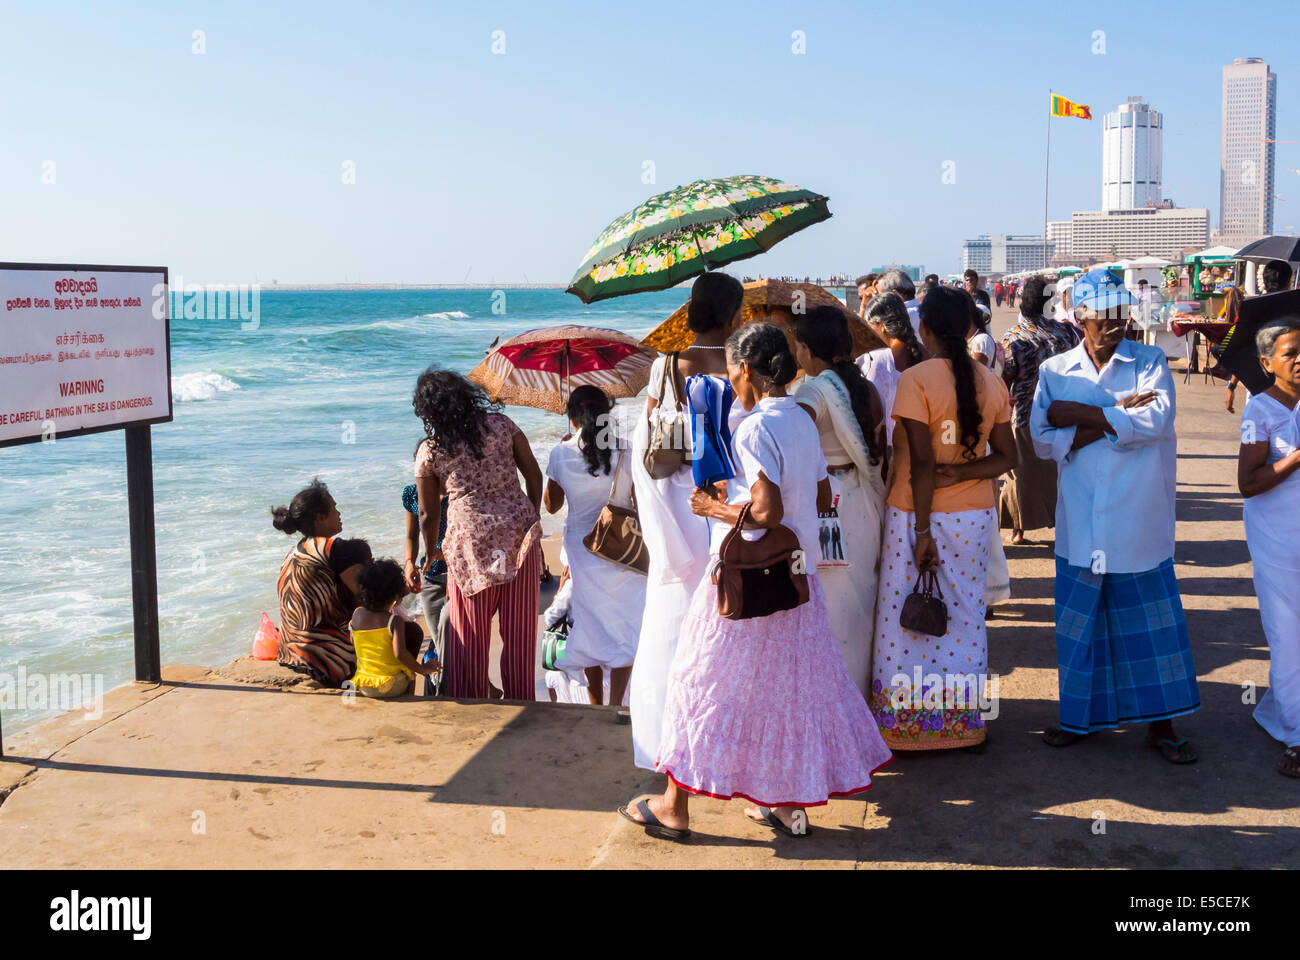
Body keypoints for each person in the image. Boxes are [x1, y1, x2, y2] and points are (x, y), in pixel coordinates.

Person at [620, 323, 893, 841]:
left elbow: (767, 511)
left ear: (745, 370)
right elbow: (815, 498)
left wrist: (715, 506)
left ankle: (675, 806)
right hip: (796, 581)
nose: (728, 378)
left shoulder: (752, 428)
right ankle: (786, 805)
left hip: (746, 581)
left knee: (701, 683)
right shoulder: (801, 421)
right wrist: (745, 491)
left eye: (729, 369)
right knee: (788, 693)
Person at [1030, 270, 1200, 764]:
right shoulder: (1056, 370)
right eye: (1103, 315)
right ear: (1080, 317)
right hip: (1082, 517)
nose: (1116, 323)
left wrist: (1078, 414)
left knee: (1150, 629)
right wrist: (1115, 412)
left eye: (1121, 313)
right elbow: (1041, 438)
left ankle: (1162, 726)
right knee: (1080, 627)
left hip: (1137, 517)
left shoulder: (1149, 361)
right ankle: (1079, 720)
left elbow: (1155, 420)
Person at [870, 287, 1015, 751]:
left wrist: (921, 530)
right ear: (971, 328)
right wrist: (965, 471)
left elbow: (921, 462)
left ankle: (904, 730)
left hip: (916, 514)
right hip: (973, 517)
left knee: (903, 620)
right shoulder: (992, 382)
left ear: (923, 329)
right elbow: (1006, 458)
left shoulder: (915, 380)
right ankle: (963, 726)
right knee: (967, 615)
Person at [628, 271, 739, 771]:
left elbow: (647, 438)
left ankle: (665, 738)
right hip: (723, 495)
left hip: (674, 500)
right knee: (724, 609)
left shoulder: (668, 364)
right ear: (734, 316)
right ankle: (722, 731)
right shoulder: (741, 367)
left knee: (671, 607)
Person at [412, 369, 543, 700]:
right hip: (519, 539)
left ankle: (476, 708)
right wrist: (531, 515)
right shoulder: (503, 425)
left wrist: (430, 552)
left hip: (470, 544)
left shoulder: (431, 449)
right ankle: (522, 704)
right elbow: (533, 474)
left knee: (469, 637)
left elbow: (428, 513)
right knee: (520, 635)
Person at [793, 305, 888, 694]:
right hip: (863, 500)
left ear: (807, 349)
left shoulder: (814, 390)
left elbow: (793, 436)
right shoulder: (866, 389)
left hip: (827, 503)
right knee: (861, 600)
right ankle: (861, 696)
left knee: (831, 603)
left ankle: (834, 700)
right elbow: (882, 447)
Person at [544, 385, 646, 708]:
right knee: (623, 628)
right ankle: (617, 702)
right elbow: (638, 503)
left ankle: (594, 701)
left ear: (573, 418)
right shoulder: (626, 449)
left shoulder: (561, 454)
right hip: (619, 548)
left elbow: (551, 505)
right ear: (607, 413)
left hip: (581, 551)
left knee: (587, 624)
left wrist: (558, 463)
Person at [1237, 313, 1300, 778]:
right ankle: (1297, 737)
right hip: (1278, 539)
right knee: (1288, 635)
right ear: (1267, 363)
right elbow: (1248, 482)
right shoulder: (1259, 410)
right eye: (1290, 354)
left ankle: (1283, 707)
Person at [999, 276, 1082, 544]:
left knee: (1020, 474)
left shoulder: (1014, 337)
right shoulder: (1068, 333)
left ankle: (1018, 529)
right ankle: (1063, 527)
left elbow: (1006, 379)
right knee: (1060, 473)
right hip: (1063, 414)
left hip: (1026, 414)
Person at [272, 479, 372, 686]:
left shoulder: (294, 552)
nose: (339, 513)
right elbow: (370, 598)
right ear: (320, 517)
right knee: (408, 633)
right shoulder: (334, 548)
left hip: (288, 654)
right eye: (334, 508)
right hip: (326, 660)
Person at [349, 559, 440, 699]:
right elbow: (400, 654)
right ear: (397, 596)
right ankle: (408, 699)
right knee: (410, 673)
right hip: (391, 686)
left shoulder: (357, 614)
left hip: (363, 684)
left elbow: (354, 642)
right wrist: (423, 669)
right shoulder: (394, 621)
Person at [859, 291, 926, 445]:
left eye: (870, 328)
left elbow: (873, 417)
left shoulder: (879, 361)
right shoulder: (926, 352)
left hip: (892, 450)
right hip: (923, 446)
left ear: (881, 326)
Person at [1225, 262, 1293, 411]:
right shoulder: (1294, 308)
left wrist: (1232, 385)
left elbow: (1238, 347)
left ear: (1263, 280)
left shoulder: (1250, 309)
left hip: (1258, 385)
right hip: (1291, 389)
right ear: (1289, 281)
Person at [878, 268, 921, 338]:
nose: (879, 301)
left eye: (881, 296)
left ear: (895, 295)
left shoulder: (900, 319)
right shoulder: (926, 311)